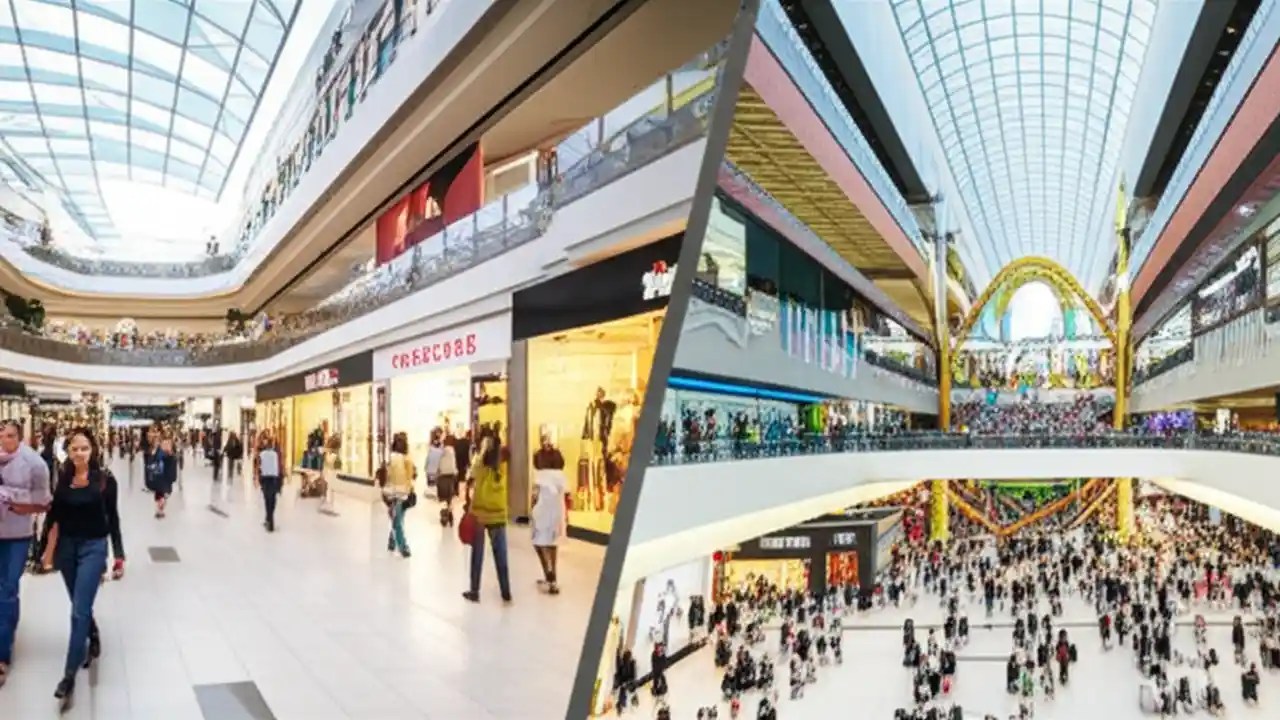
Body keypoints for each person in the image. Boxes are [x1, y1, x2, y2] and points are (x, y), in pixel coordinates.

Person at [41, 428, 124, 704]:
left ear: (93, 450)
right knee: (80, 604)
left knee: (78, 611)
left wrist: (119, 555)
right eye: (74, 448)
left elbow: (113, 518)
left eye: (84, 448)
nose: (79, 453)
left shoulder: (105, 480)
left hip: (93, 548)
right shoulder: (63, 479)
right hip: (67, 549)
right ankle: (93, 633)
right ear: (68, 451)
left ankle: (68, 675)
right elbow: (54, 517)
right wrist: (46, 552)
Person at [0, 419, 52, 685]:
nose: (4, 441)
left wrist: (16, 504)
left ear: (19, 437)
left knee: (7, 590)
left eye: (10, 436)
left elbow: (44, 502)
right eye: (1, 435)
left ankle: (2, 654)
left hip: (17, 536)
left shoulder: (34, 464)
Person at [463, 429, 511, 603]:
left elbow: (470, 477)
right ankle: (505, 591)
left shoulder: (479, 463)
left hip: (480, 514)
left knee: (477, 554)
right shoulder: (503, 463)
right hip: (498, 513)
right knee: (501, 555)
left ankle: (474, 590)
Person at [530, 438, 568, 594]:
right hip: (557, 512)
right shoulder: (561, 475)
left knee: (538, 543)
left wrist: (532, 509)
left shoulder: (539, 475)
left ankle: (548, 571)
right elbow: (566, 494)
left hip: (541, 511)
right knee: (553, 544)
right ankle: (553, 580)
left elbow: (535, 496)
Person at [382, 432, 415, 557]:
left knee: (396, 518)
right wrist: (411, 490)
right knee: (398, 520)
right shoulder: (407, 459)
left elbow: (386, 475)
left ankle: (392, 540)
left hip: (390, 493)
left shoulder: (390, 458)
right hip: (402, 493)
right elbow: (410, 478)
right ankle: (403, 547)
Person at [145, 434, 177, 519]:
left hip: (166, 478)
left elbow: (172, 466)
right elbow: (151, 461)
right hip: (159, 478)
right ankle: (160, 510)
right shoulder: (158, 452)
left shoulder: (171, 455)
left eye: (168, 444)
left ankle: (160, 509)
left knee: (164, 495)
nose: (166, 446)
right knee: (160, 495)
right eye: (164, 444)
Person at [254, 434, 282, 532]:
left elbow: (258, 466)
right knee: (272, 499)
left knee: (267, 499)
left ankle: (269, 519)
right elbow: (278, 467)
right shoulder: (275, 454)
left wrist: (257, 478)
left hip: (265, 478)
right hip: (273, 478)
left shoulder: (262, 454)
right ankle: (270, 519)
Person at [436, 434, 459, 525]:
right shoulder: (452, 451)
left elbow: (438, 464)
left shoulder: (441, 450)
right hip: (451, 477)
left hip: (442, 477)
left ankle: (445, 514)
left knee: (443, 497)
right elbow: (453, 465)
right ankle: (449, 512)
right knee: (449, 497)